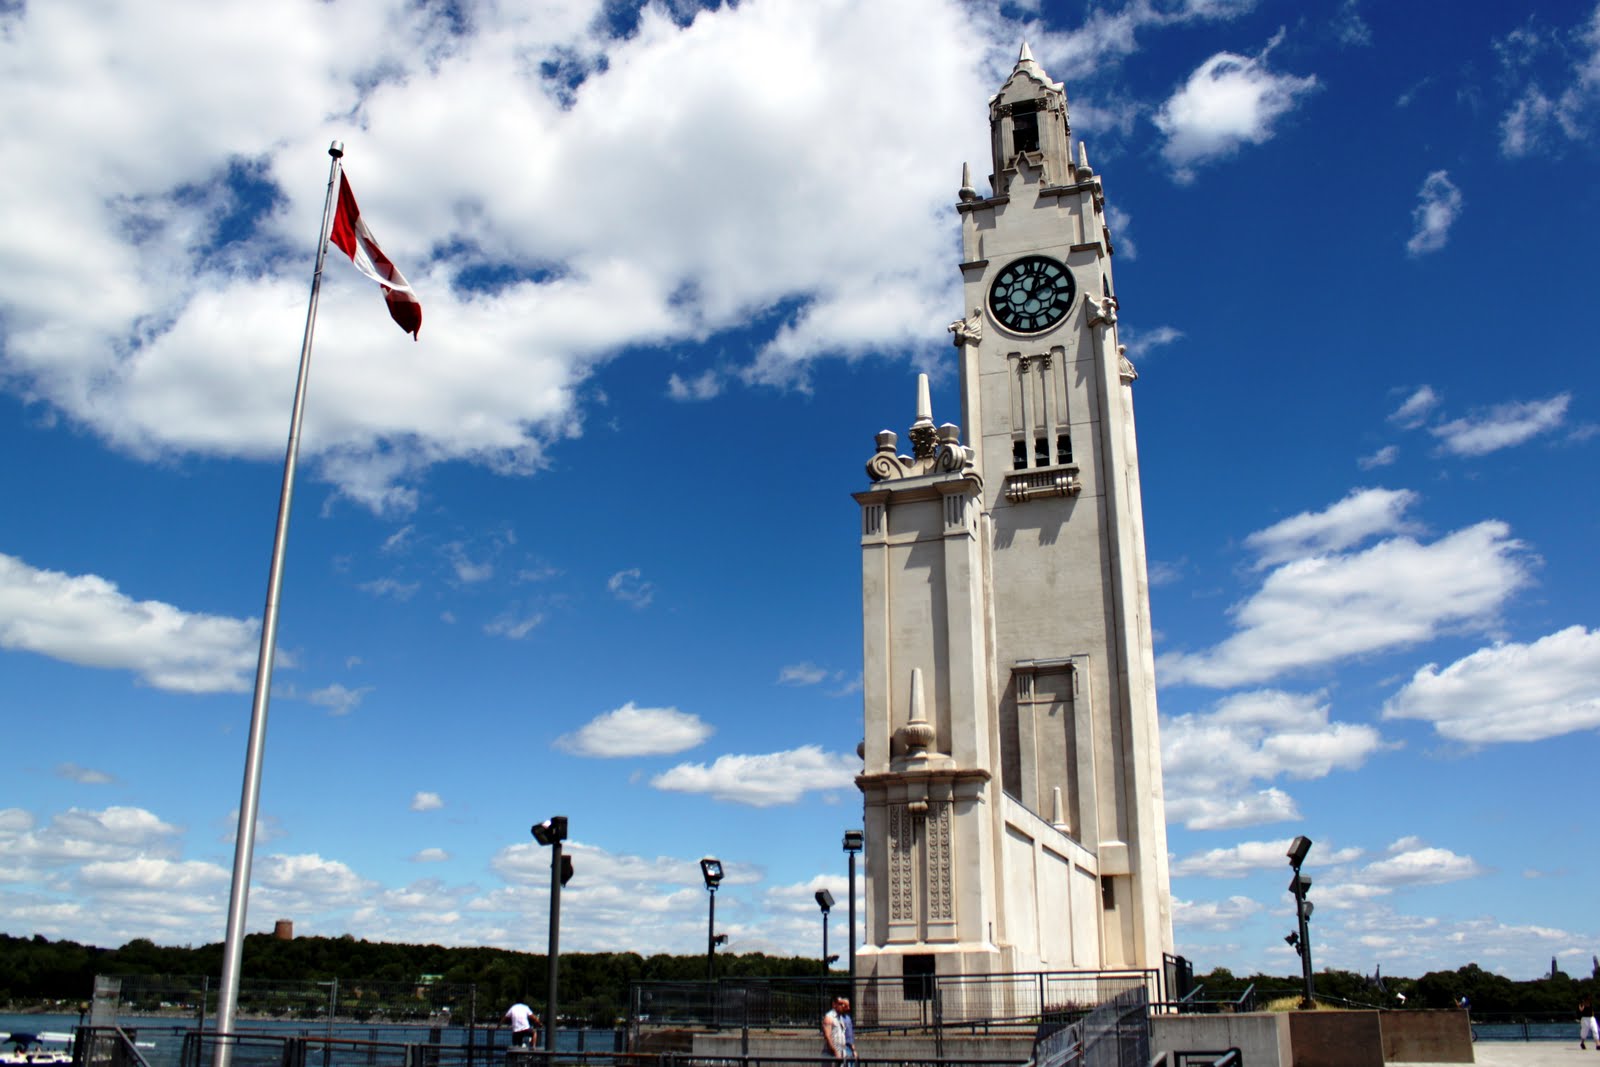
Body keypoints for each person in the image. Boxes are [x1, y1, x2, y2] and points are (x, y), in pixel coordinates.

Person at [822, 996, 848, 1061]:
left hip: (841, 1053)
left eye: (843, 1004)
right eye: (840, 1004)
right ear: (834, 1004)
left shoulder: (840, 1018)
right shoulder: (829, 1017)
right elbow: (828, 1036)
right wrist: (835, 1051)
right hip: (832, 1055)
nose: (842, 1006)